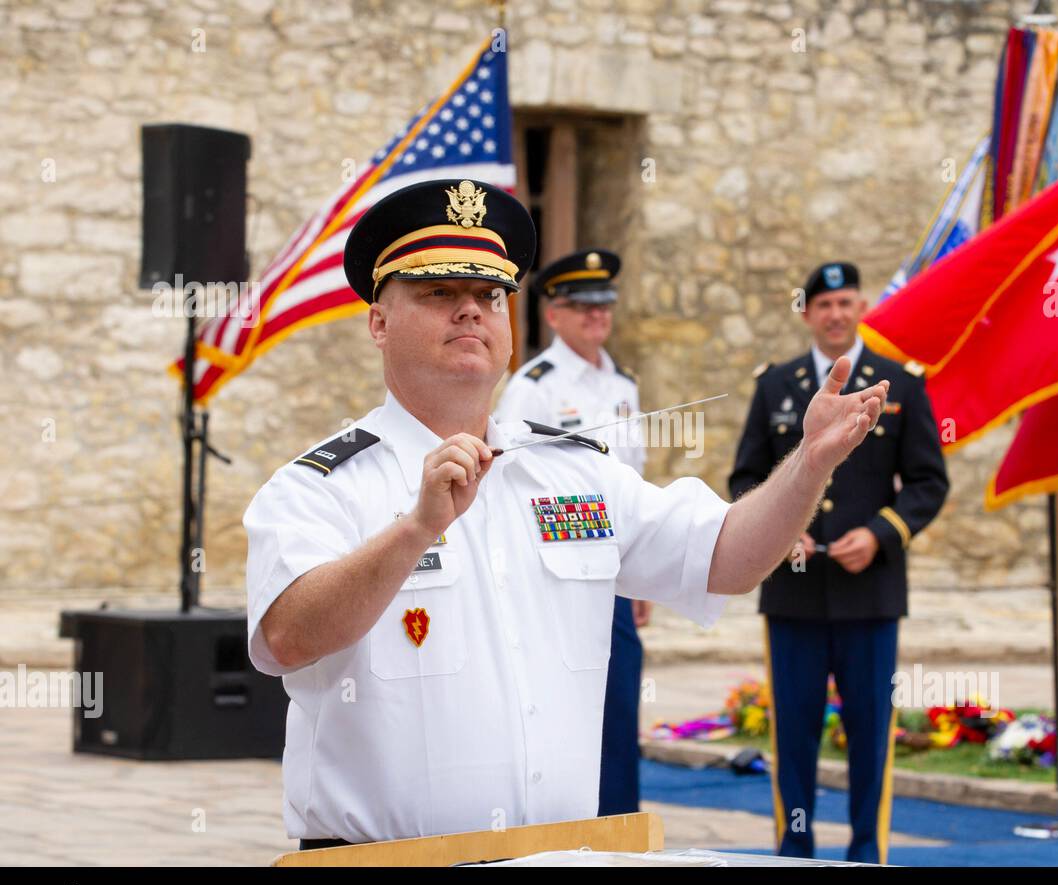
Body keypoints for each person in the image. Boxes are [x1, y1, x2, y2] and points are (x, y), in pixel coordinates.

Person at [243, 182, 891, 849]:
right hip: (384, 867)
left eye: (490, 296)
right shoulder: (321, 486)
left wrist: (809, 464)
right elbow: (289, 636)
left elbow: (727, 557)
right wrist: (415, 530)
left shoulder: (571, 470)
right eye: (439, 292)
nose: (470, 311)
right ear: (379, 322)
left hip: (556, 856)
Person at [728, 261, 949, 864]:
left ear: (861, 310)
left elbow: (928, 482)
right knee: (792, 733)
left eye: (846, 303)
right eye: (823, 305)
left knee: (870, 733)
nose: (835, 315)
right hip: (794, 592)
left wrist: (882, 533)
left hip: (869, 591)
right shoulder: (776, 385)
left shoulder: (900, 385)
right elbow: (745, 475)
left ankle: (865, 851)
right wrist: (779, 530)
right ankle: (794, 849)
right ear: (807, 313)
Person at [495, 248, 649, 818]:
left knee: (618, 702)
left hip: (609, 568)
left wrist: (643, 577)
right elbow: (513, 481)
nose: (596, 316)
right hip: (554, 571)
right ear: (553, 314)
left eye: (603, 305)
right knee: (562, 702)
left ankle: (620, 828)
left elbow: (633, 481)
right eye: (582, 306)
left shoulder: (622, 384)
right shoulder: (532, 386)